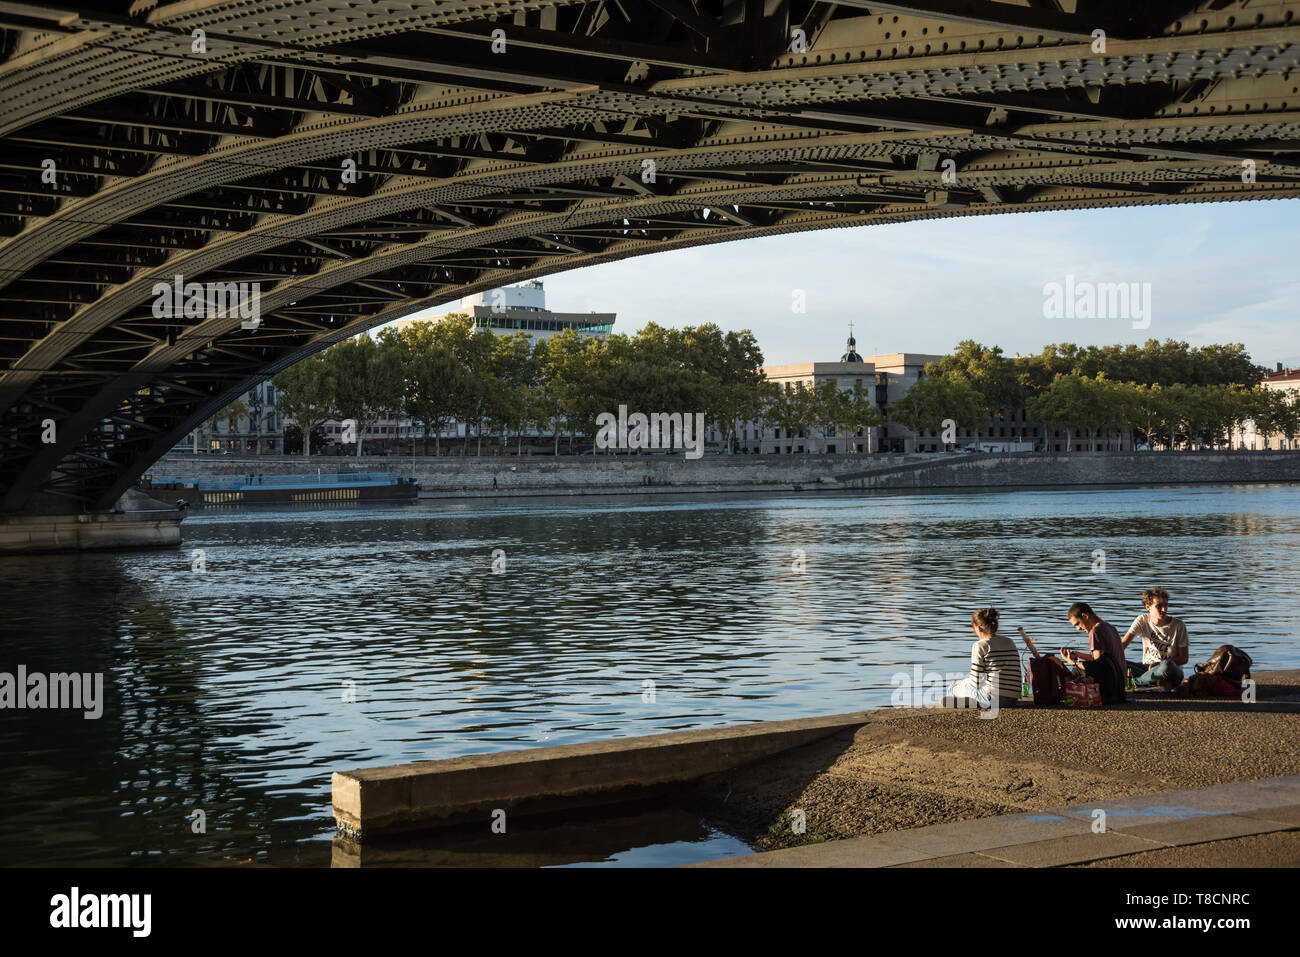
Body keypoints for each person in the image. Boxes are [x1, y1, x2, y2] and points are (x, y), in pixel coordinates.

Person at [948, 607, 1021, 709]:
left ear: (978, 628)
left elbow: (975, 682)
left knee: (952, 689)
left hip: (992, 698)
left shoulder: (980, 645)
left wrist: (961, 682)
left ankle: (969, 701)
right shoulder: (1010, 641)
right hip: (1012, 699)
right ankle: (971, 701)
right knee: (980, 687)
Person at [1121, 587, 1189, 690]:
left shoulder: (1179, 625)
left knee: (1167, 665)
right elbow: (1122, 645)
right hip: (1148, 669)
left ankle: (1137, 683)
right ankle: (1152, 683)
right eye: (1159, 606)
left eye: (1166, 605)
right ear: (1148, 607)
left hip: (1170, 672)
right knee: (1117, 663)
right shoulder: (1142, 620)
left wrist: (1159, 664)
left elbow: (1184, 658)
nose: (1164, 610)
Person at [1060, 601, 1126, 704]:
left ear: (1085, 616)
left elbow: (1097, 665)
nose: (1078, 629)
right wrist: (1078, 655)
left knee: (1075, 671)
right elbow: (1100, 659)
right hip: (1120, 685)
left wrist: (1072, 662)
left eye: (1077, 624)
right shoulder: (1110, 627)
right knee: (1081, 667)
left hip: (1110, 688)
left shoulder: (1095, 631)